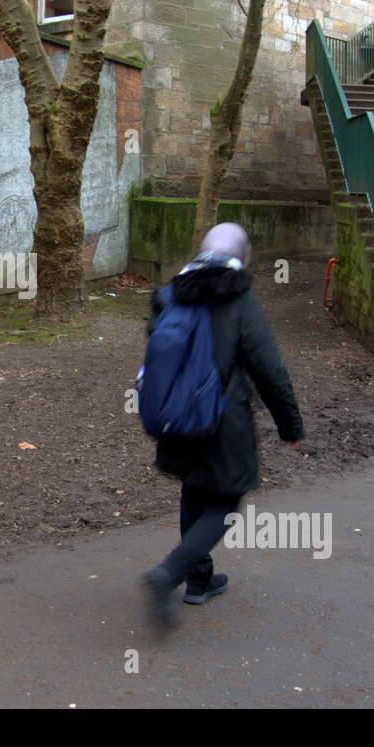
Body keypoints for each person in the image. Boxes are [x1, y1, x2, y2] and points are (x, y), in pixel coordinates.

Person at [142, 222, 304, 634]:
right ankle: (170, 572)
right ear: (241, 254)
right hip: (222, 420)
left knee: (195, 490)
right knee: (226, 502)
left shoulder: (171, 293)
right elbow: (269, 367)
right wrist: (290, 424)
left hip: (176, 417)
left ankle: (199, 579)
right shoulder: (238, 297)